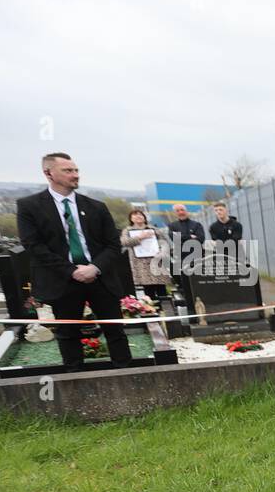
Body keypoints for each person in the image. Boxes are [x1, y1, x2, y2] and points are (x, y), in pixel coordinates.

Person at [16, 153, 133, 370]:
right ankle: (75, 380)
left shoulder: (96, 206)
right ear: (48, 173)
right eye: (68, 171)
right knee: (68, 333)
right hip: (63, 280)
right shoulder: (29, 206)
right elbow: (34, 245)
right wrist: (72, 271)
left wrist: (94, 268)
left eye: (76, 170)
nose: (75, 175)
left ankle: (126, 376)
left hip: (100, 278)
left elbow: (113, 245)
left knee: (115, 330)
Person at [119, 208, 173, 300]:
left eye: (140, 214)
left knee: (161, 288)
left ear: (144, 217)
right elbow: (124, 242)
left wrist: (162, 251)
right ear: (131, 219)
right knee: (148, 290)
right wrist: (140, 237)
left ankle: (167, 308)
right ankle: (152, 309)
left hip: (156, 261)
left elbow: (164, 241)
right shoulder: (127, 230)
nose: (138, 216)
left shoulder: (153, 229)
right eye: (135, 215)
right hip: (140, 263)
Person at [209, 202, 244, 273]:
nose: (218, 212)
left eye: (220, 209)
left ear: (226, 210)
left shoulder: (237, 225)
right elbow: (215, 243)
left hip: (237, 255)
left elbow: (235, 241)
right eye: (216, 210)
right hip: (221, 256)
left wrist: (220, 243)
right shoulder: (213, 227)